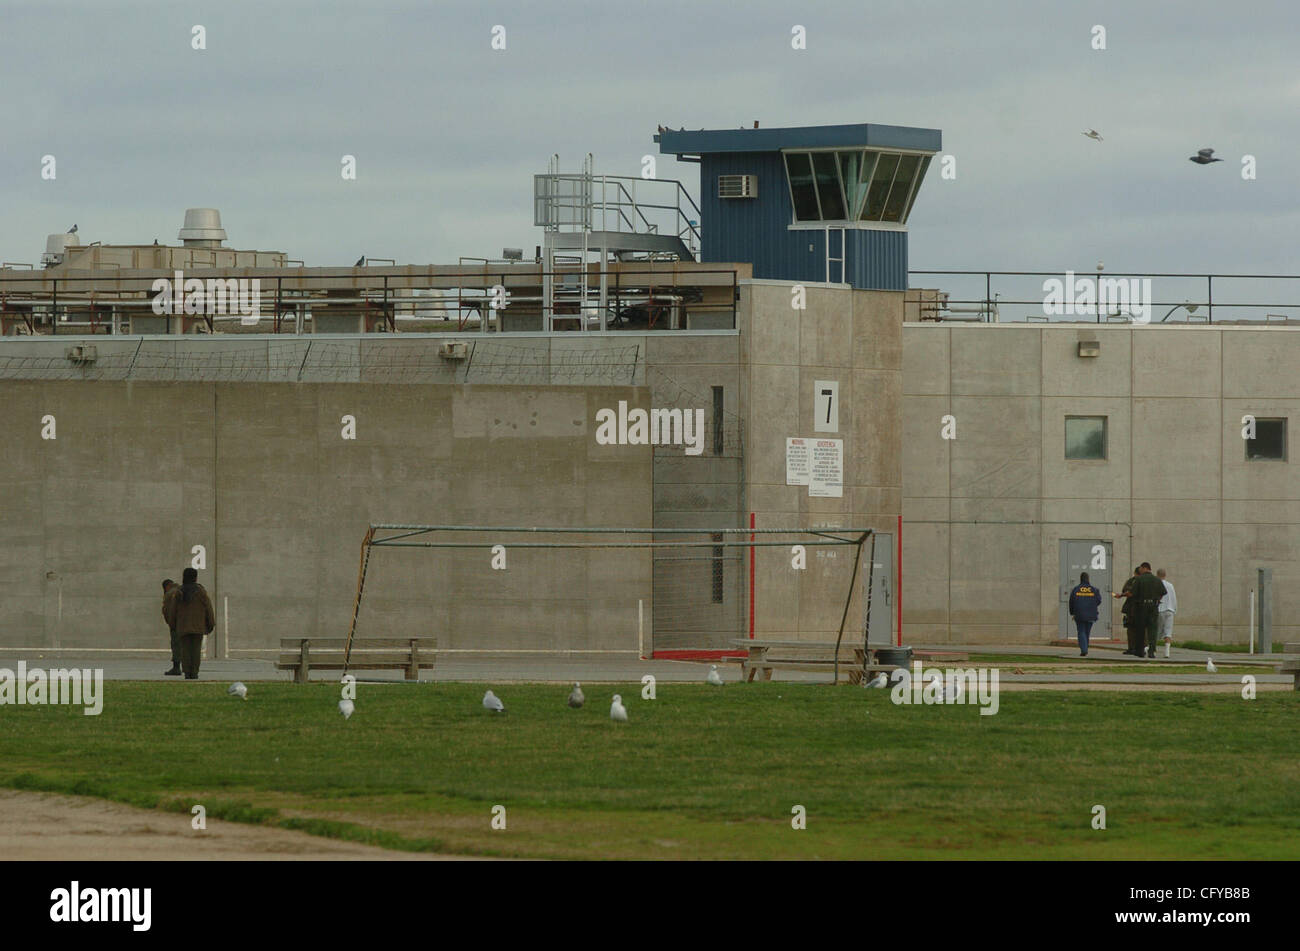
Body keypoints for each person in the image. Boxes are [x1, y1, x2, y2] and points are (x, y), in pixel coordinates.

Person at [164, 567, 215, 679]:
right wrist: (211, 623)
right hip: (198, 625)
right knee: (196, 650)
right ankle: (194, 672)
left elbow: (173, 610)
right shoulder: (201, 591)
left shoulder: (179, 592)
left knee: (185, 650)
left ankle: (187, 673)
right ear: (196, 578)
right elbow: (208, 608)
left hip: (182, 626)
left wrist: (173, 625)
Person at [1133, 561, 1167, 659]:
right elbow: (1163, 592)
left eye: (1141, 569)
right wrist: (1156, 600)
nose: (1140, 570)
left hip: (1142, 607)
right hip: (1153, 606)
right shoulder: (1157, 580)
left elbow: (1133, 593)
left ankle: (1140, 651)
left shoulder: (1139, 579)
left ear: (1144, 568)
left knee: (1141, 629)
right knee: (1152, 630)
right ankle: (1152, 651)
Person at [1068, 571, 1101, 656]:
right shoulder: (1094, 590)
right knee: (1087, 632)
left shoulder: (1076, 589)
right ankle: (1085, 647)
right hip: (1091, 614)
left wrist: (1072, 613)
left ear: (1080, 579)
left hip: (1079, 614)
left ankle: (1084, 649)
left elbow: (1071, 602)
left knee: (1081, 631)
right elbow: (1098, 601)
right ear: (1088, 579)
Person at [1115, 566, 1143, 656]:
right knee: (1131, 629)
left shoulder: (1140, 581)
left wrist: (1124, 594)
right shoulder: (1131, 581)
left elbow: (1127, 592)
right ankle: (1132, 648)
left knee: (1138, 629)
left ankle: (1139, 648)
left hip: (1138, 608)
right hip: (1131, 608)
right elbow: (1125, 590)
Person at [161, 578, 181, 676]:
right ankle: (190, 669)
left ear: (166, 586)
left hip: (176, 624)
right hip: (187, 624)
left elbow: (168, 611)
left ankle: (176, 668)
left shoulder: (170, 594)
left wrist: (171, 623)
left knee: (176, 645)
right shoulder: (181, 590)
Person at [1156, 568, 1177, 658]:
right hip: (1170, 610)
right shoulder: (1170, 585)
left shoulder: (1157, 584)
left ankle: (1152, 648)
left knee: (1157, 630)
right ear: (1165, 575)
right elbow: (1174, 598)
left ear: (1157, 575)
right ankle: (1167, 652)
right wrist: (1174, 609)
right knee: (1168, 632)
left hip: (1161, 609)